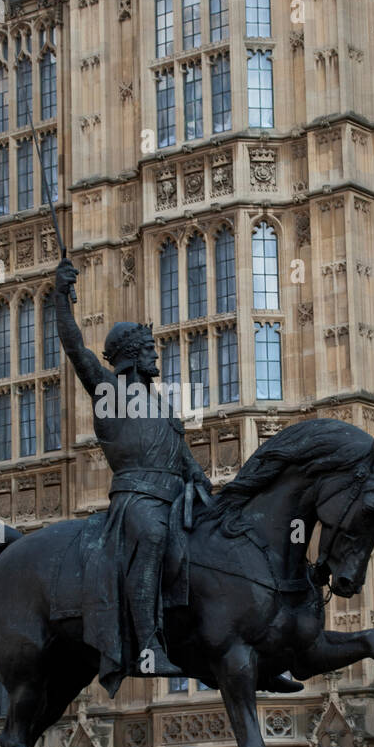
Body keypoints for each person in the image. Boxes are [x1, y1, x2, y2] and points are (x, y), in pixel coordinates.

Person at [54, 255, 212, 694]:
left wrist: (201, 480)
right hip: (137, 500)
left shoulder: (160, 404)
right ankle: (147, 646)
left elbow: (180, 455)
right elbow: (75, 349)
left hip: (175, 496)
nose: (154, 352)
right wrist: (60, 298)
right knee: (153, 538)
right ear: (130, 356)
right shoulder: (108, 391)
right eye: (147, 348)